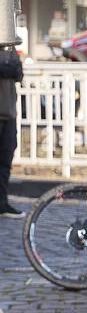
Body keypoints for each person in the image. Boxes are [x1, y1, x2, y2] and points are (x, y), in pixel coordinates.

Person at [0, 33, 21, 217]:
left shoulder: (11, 47)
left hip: (9, 113)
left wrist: (9, 68)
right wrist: (9, 68)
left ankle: (2, 203)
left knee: (5, 160)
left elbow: (18, 72)